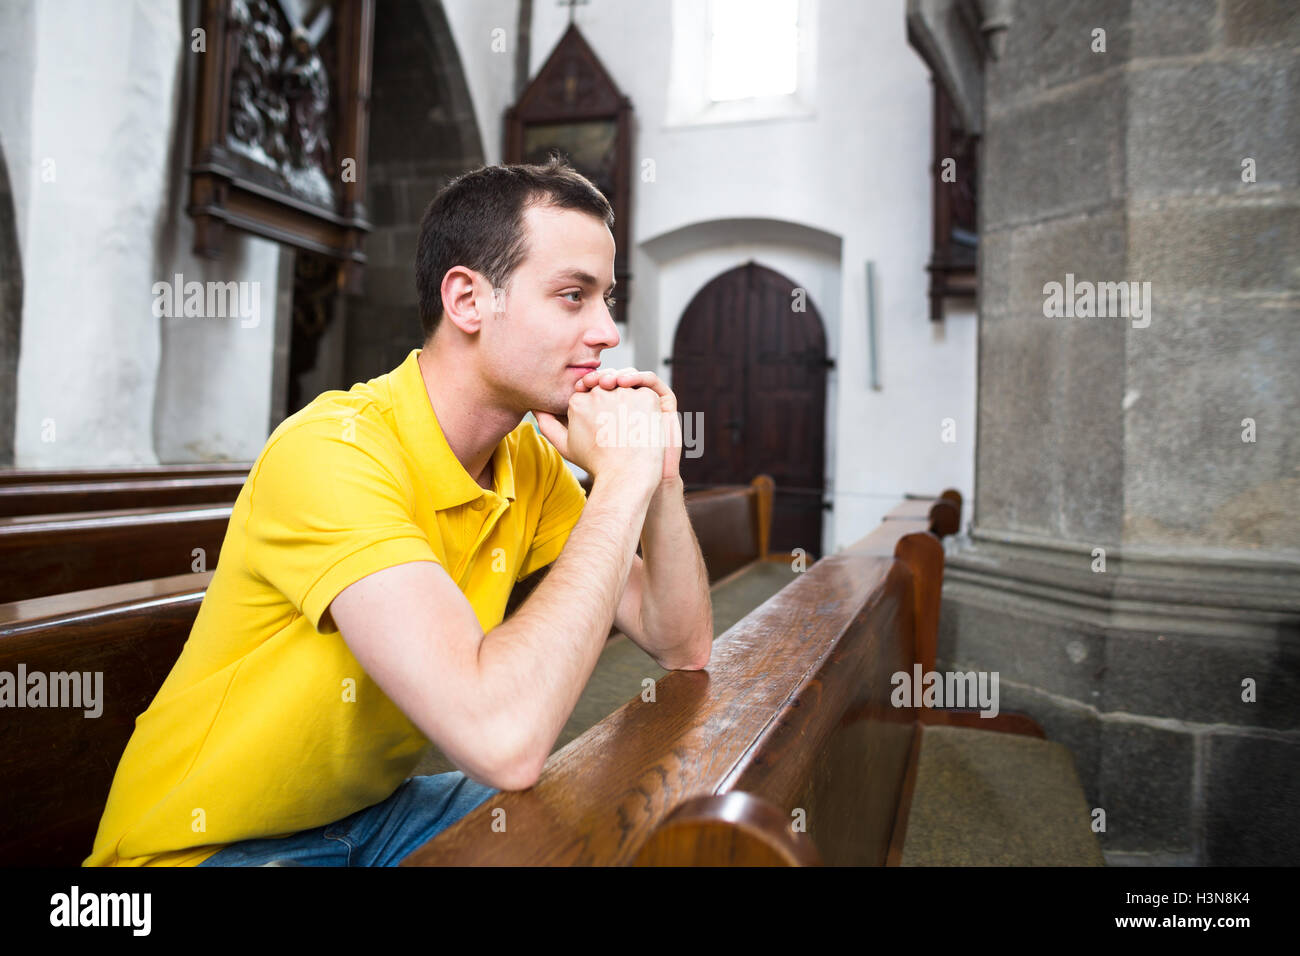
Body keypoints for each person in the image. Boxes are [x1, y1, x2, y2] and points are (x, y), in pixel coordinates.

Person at [83, 157, 713, 867]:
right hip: (206, 848)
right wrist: (619, 484)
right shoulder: (332, 450)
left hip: (372, 817)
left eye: (606, 298)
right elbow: (503, 741)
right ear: (469, 301)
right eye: (574, 295)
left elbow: (679, 642)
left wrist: (657, 477)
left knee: (606, 831)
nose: (606, 332)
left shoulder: (526, 460)